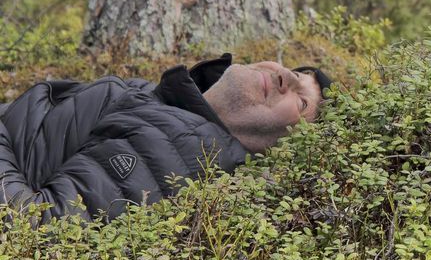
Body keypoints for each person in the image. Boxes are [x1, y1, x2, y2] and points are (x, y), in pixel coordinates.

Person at [0, 53, 331, 222]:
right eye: (298, 73)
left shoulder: (178, 155)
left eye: (302, 102)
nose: (286, 75)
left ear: (290, 145)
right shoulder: (173, 108)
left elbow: (35, 226)